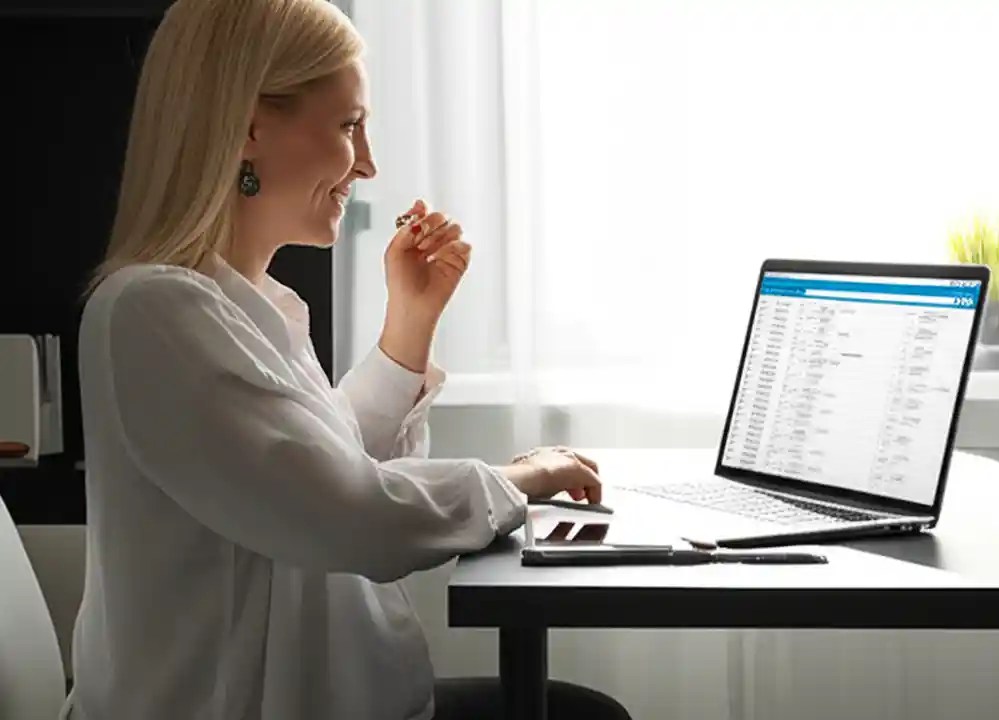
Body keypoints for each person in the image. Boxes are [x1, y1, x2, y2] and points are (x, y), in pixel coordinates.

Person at [63, 1, 631, 718]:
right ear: (249, 126)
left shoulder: (240, 304)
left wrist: (410, 323)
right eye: (348, 126)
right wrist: (523, 478)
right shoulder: (152, 313)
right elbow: (352, 517)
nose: (366, 162)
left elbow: (322, 469)